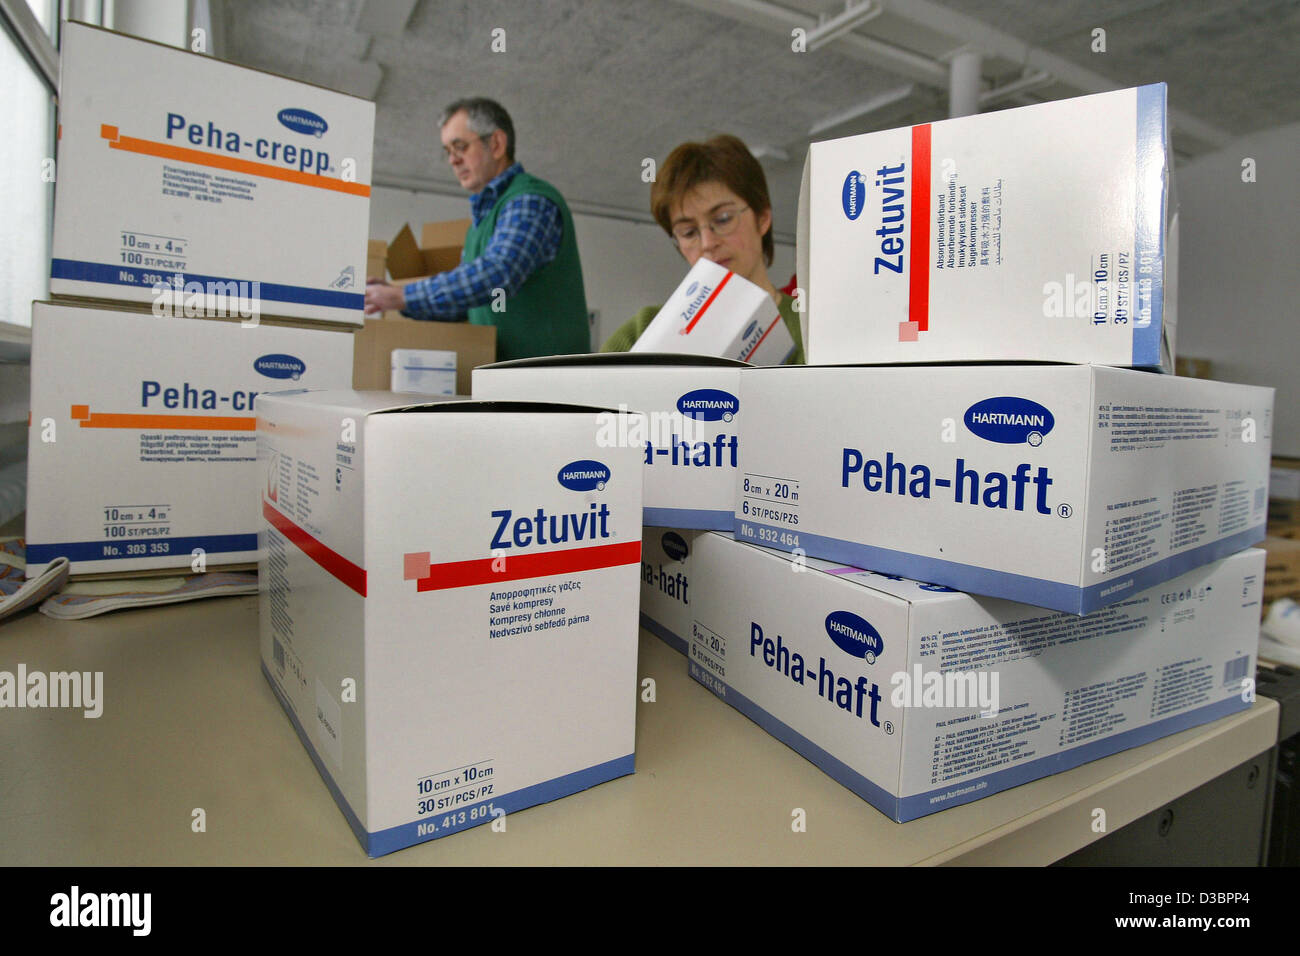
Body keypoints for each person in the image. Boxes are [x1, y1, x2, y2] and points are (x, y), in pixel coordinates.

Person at [364, 97, 589, 362]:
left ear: (496, 144)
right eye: (447, 151)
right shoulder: (479, 227)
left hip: (548, 381)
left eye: (460, 147)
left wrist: (404, 295)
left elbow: (499, 273)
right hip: (508, 379)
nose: (453, 161)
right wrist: (393, 297)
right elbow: (470, 303)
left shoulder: (530, 201)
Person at [599, 134, 804, 363]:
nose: (707, 243)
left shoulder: (811, 329)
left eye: (724, 219)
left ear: (763, 218)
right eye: (688, 232)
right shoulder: (639, 332)